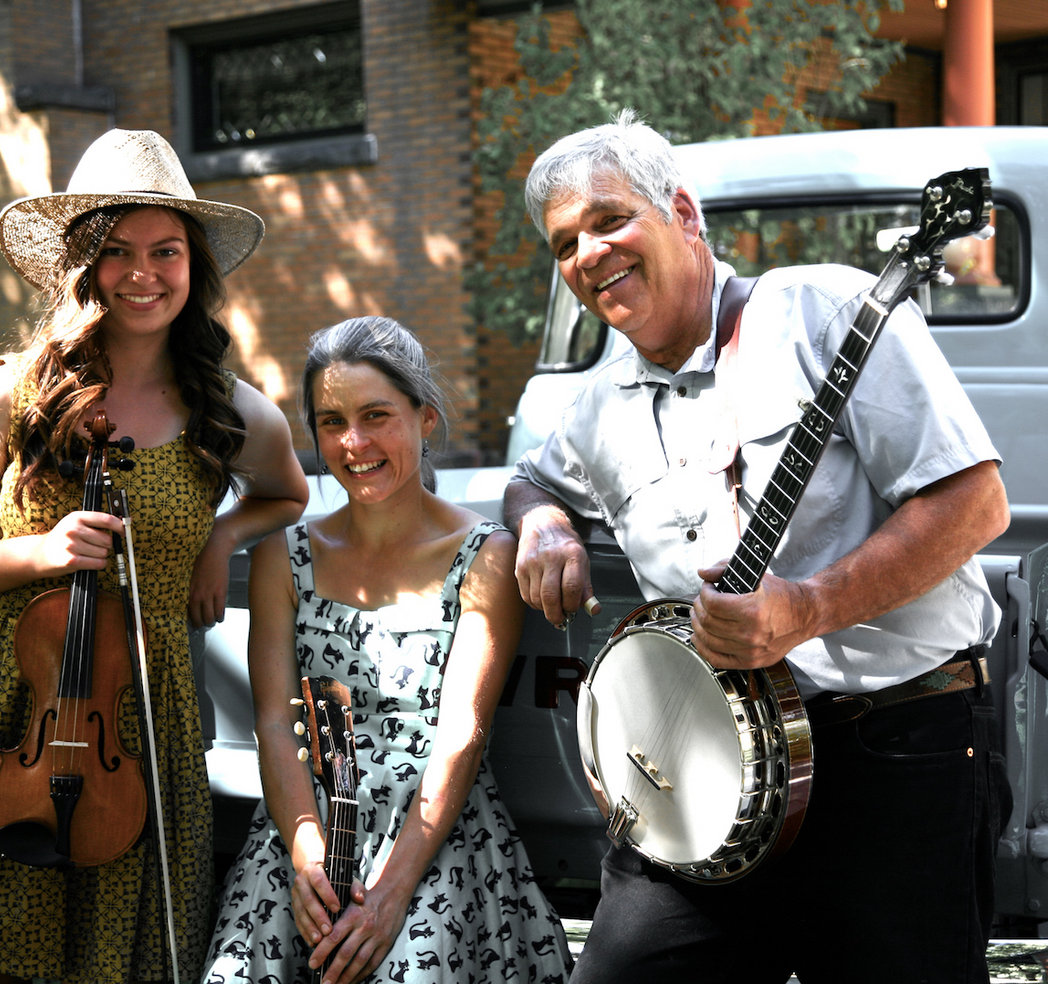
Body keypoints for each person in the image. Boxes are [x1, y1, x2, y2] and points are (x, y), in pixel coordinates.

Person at [504, 110, 1012, 984]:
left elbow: (974, 503)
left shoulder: (822, 310)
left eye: (609, 220)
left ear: (685, 214)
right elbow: (533, 481)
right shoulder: (597, 406)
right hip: (699, 773)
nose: (588, 254)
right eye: (563, 245)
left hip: (889, 754)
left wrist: (808, 608)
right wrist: (543, 522)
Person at [0, 128, 309, 984]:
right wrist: (40, 552)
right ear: (81, 263)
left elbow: (288, 494)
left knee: (107, 956)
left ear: (194, 263)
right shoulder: (11, 394)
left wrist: (223, 533)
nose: (144, 274)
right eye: (118, 251)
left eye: (166, 251)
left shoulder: (234, 413)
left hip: (137, 704)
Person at [202, 316, 572, 984]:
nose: (354, 442)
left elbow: (463, 731)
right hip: (306, 819)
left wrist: (395, 892)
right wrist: (306, 849)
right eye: (332, 421)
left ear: (425, 417)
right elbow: (273, 723)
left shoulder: (484, 556)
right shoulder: (283, 558)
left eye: (377, 415)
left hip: (431, 832)